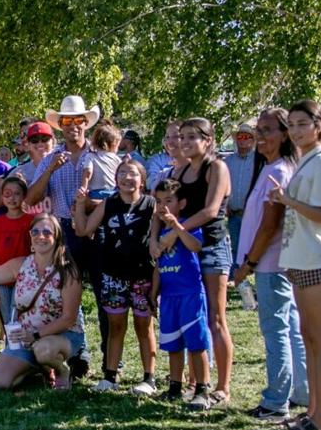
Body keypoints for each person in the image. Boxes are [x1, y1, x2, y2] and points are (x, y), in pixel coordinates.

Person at [267, 99, 321, 430]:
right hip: (301, 258)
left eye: (303, 124)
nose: (296, 131)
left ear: (319, 125)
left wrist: (288, 201)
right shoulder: (306, 160)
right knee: (309, 338)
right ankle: (312, 410)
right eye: (293, 125)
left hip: (320, 259)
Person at [26, 96, 117, 377]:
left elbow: (116, 195)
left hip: (99, 229)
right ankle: (80, 354)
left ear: (86, 124)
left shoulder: (102, 156)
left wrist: (92, 204)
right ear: (60, 126)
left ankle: (111, 360)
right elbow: (31, 198)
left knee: (105, 295)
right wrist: (51, 169)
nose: (73, 126)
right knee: (68, 299)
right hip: (65, 230)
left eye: (78, 120)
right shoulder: (51, 160)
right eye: (67, 121)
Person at [232, 108, 308, 421]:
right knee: (289, 327)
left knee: (276, 330)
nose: (261, 136)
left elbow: (269, 225)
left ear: (285, 134)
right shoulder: (276, 166)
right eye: (258, 130)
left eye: (267, 130)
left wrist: (248, 263)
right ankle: (301, 391)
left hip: (270, 263)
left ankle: (276, 400)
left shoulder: (279, 170)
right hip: (275, 262)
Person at [158, 117, 233, 407]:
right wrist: (160, 237)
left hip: (212, 247)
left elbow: (212, 210)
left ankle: (222, 386)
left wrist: (176, 230)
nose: (185, 142)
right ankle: (192, 380)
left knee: (215, 318)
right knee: (191, 318)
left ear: (208, 140)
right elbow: (162, 207)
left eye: (192, 137)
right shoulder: (182, 170)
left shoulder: (217, 167)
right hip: (184, 251)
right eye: (182, 137)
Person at [75, 159, 157, 394]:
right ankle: (110, 377)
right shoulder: (108, 203)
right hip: (113, 274)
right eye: (121, 173)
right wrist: (81, 204)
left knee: (144, 326)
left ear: (142, 180)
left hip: (142, 274)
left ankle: (149, 379)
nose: (126, 178)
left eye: (132, 174)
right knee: (115, 325)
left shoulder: (151, 204)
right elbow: (83, 230)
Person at [0, 214, 85, 390]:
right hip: (25, 338)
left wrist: (36, 335)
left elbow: (69, 319)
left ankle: (60, 369)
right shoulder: (20, 265)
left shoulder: (68, 272)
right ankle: (37, 367)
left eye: (46, 232)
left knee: (44, 350)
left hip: (61, 337)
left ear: (57, 237)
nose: (40, 236)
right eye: (35, 231)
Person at [151, 179, 213, 409]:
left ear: (182, 203)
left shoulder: (187, 224)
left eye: (168, 201)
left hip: (190, 294)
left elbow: (195, 246)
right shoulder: (159, 233)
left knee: (196, 343)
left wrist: (177, 226)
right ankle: (175, 386)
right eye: (158, 201)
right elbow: (157, 266)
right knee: (173, 345)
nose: (162, 206)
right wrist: (153, 292)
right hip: (168, 296)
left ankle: (202, 389)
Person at [0, 174, 35, 329]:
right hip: (1, 276)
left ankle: (20, 347)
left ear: (24, 196)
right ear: (2, 196)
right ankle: (11, 346)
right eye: (7, 193)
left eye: (17, 194)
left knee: (18, 312)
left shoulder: (31, 220)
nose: (12, 198)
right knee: (7, 314)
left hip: (22, 277)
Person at [223, 120, 259, 309]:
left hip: (254, 216)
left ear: (253, 139)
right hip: (235, 215)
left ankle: (260, 292)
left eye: (247, 136)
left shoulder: (259, 160)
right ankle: (245, 294)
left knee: (258, 253)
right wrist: (225, 203)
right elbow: (224, 185)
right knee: (237, 254)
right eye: (240, 136)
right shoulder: (228, 161)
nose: (243, 140)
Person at [8, 121, 54, 215]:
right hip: (28, 226)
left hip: (58, 226)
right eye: (34, 140)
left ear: (53, 142)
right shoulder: (18, 172)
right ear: (28, 144)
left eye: (45, 139)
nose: (40, 143)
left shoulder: (64, 167)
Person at [86, 124, 122, 200]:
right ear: (113, 144)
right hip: (113, 192)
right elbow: (120, 174)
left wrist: (84, 186)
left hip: (95, 193)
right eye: (117, 146)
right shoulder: (116, 159)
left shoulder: (91, 156)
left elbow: (88, 172)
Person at [145, 121, 183, 189]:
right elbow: (151, 185)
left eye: (176, 136)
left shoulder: (202, 169)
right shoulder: (164, 174)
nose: (169, 142)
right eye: (167, 137)